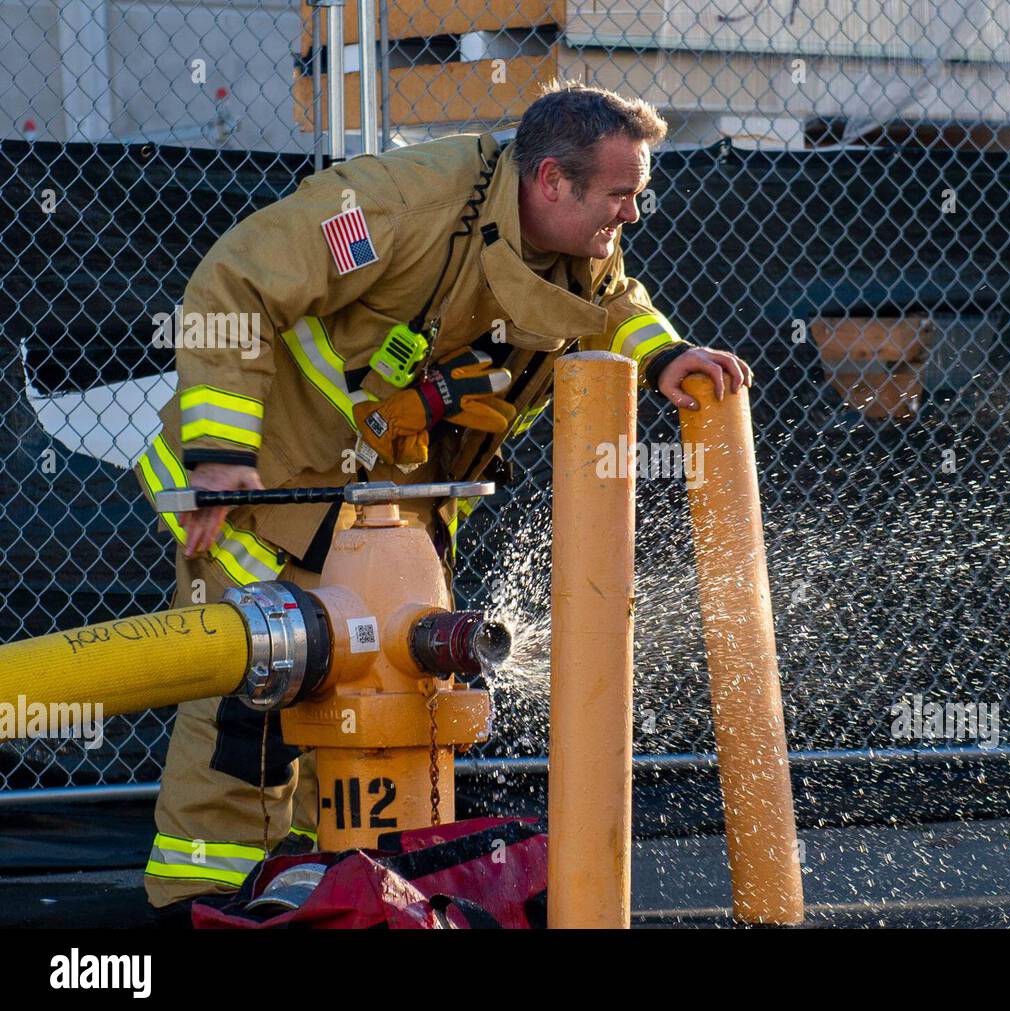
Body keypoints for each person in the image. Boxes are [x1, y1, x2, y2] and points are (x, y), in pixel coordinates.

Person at [133, 79, 752, 916]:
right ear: (550, 183)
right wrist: (217, 454)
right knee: (248, 715)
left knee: (362, 721)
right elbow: (236, 284)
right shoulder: (401, 206)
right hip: (260, 492)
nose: (632, 217)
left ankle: (337, 901)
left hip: (383, 519)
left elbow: (611, 305)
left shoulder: (574, 242)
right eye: (619, 195)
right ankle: (198, 902)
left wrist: (665, 355)